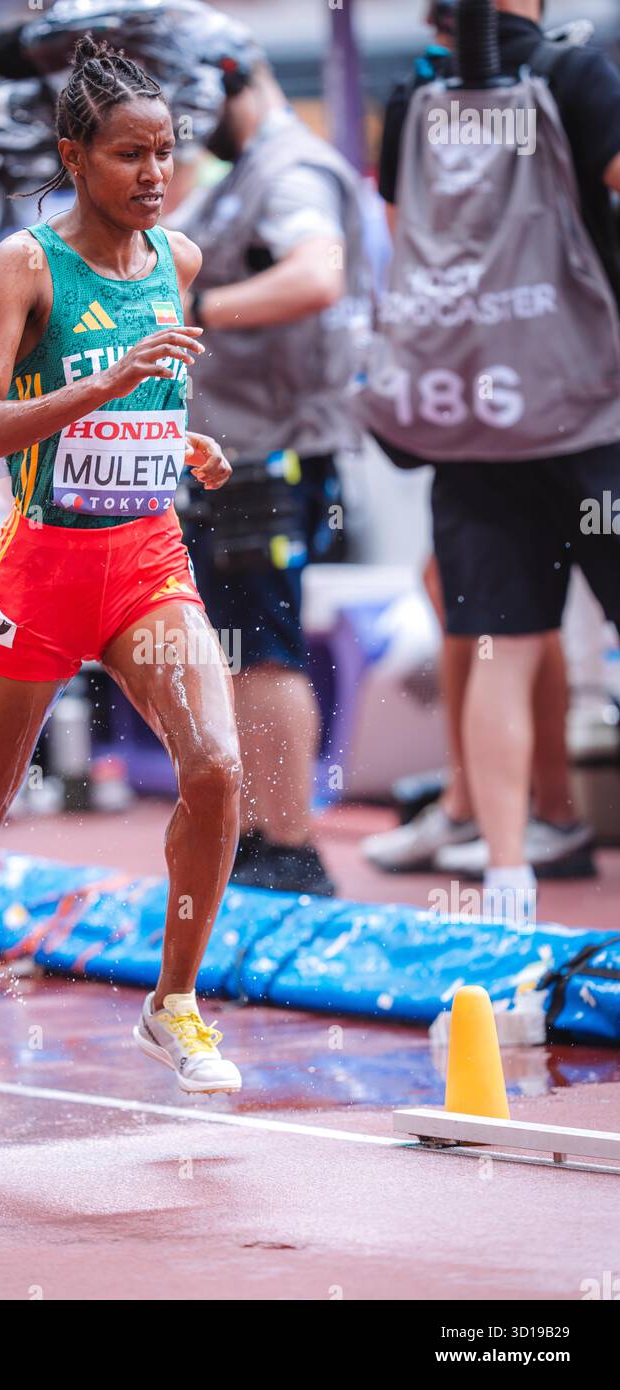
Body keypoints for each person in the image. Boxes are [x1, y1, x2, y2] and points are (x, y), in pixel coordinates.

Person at [0, 36, 243, 1142]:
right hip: (42, 567)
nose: (152, 174)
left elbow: (142, 413)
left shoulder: (182, 257)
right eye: (127, 155)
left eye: (164, 152)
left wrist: (181, 441)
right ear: (73, 155)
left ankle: (174, 1003)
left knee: (215, 766)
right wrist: (98, 386)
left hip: (146, 557)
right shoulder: (21, 266)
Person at [373, 0, 620, 920]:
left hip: (472, 416)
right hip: (593, 412)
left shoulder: (414, 96)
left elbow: (409, 244)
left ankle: (508, 883)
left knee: (501, 647)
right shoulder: (576, 74)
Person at [173, 37, 371, 896]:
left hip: (275, 453)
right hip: (240, 454)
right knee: (241, 647)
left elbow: (318, 275)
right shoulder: (247, 168)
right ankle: (259, 834)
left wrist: (197, 307)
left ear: (227, 82)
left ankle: (291, 844)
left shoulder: (292, 168)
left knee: (268, 649)